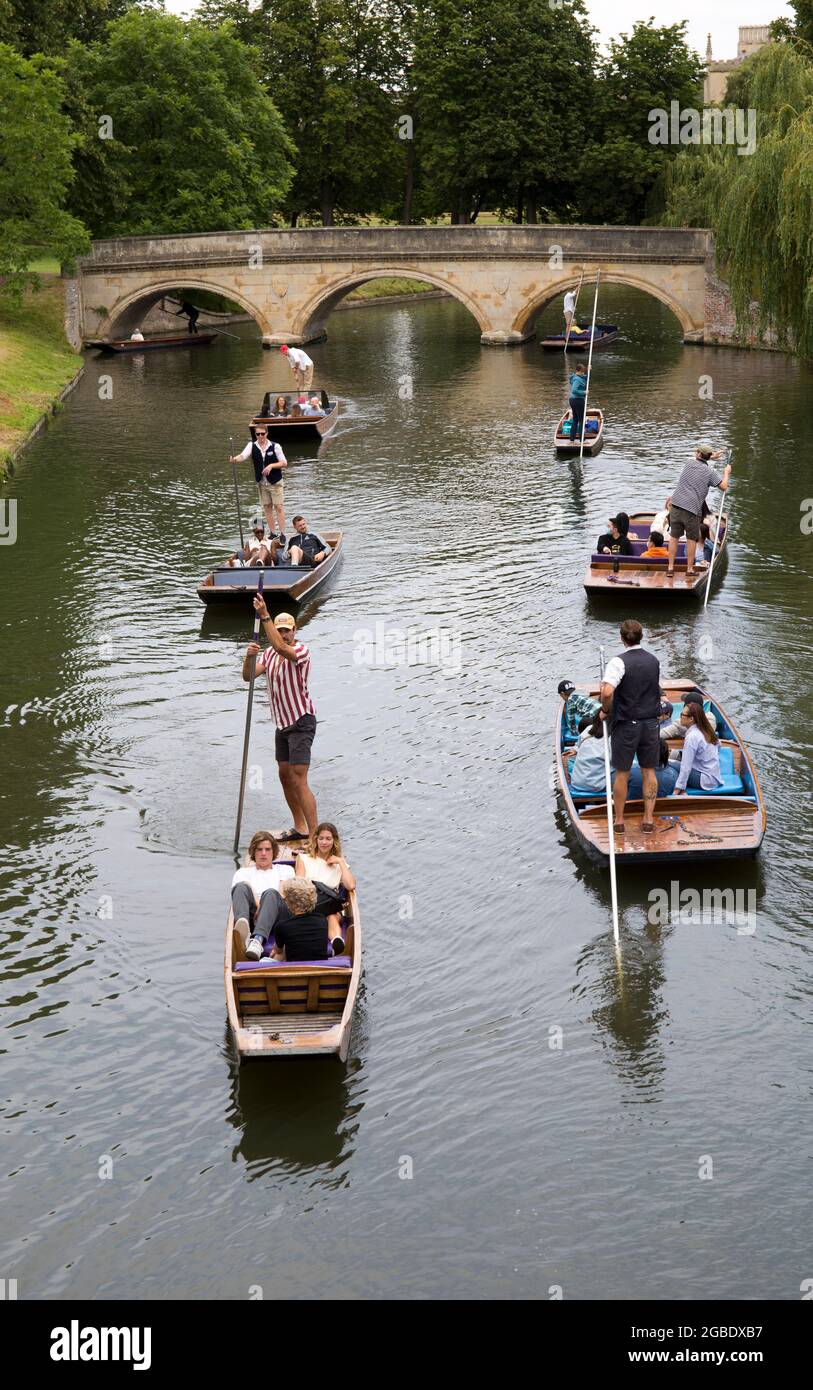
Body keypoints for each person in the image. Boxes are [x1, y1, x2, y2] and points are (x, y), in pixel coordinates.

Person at [243, 605, 318, 843]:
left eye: (287, 630)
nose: (285, 634)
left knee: (298, 777)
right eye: (280, 630)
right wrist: (249, 656)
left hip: (301, 721)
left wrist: (264, 615)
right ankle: (300, 827)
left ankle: (314, 836)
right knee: (284, 776)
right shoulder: (269, 654)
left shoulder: (301, 651)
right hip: (282, 724)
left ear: (295, 630)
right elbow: (248, 676)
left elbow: (280, 647)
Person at [600, 619, 661, 834]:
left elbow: (607, 692)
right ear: (641, 636)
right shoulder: (654, 661)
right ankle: (648, 819)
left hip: (627, 724)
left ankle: (618, 821)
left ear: (622, 638)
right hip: (651, 723)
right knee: (649, 771)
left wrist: (606, 710)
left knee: (622, 773)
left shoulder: (618, 662)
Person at [570, 714, 677, 796]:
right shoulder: (617, 738)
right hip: (596, 783)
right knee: (638, 774)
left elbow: (578, 745)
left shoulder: (589, 729)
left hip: (578, 780)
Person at [667, 440, 731, 579]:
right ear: (707, 456)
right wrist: (726, 472)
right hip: (692, 510)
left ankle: (670, 568)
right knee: (691, 539)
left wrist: (711, 456)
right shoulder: (710, 472)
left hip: (676, 505)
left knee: (674, 537)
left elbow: (700, 457)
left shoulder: (689, 463)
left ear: (698, 454)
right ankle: (689, 569)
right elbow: (724, 486)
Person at [232, 831, 296, 960]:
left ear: (274, 852)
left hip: (279, 916)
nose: (263, 853)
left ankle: (257, 941)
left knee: (271, 893)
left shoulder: (285, 870)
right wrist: (258, 905)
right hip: (253, 915)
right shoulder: (243, 872)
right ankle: (242, 934)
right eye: (259, 849)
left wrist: (262, 907)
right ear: (253, 852)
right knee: (240, 887)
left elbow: (282, 894)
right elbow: (241, 892)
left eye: (267, 849)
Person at [296, 822, 355, 953]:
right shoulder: (304, 858)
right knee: (327, 914)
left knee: (332, 916)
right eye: (321, 838)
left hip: (329, 906)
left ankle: (337, 941)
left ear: (334, 841)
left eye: (328, 839)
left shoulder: (339, 863)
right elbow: (299, 885)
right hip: (310, 903)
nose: (324, 842)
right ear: (316, 839)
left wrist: (340, 862)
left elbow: (350, 885)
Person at [230, 426, 288, 537]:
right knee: (267, 507)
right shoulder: (251, 445)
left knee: (279, 507)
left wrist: (271, 465)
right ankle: (273, 533)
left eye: (262, 433)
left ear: (267, 433)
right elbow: (243, 456)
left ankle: (283, 534)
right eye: (258, 434)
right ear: (255, 435)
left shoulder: (275, 446)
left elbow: (284, 463)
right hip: (262, 482)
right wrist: (235, 459)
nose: (260, 436)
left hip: (275, 482)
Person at [270, 879, 331, 962]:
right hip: (320, 968)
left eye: (285, 899)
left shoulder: (282, 926)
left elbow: (278, 951)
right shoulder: (323, 920)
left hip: (294, 970)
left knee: (277, 954)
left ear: (290, 902)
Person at [673, 702, 724, 794]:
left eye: (682, 715)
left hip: (703, 780)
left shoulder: (692, 736)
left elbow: (686, 766)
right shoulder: (706, 731)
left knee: (669, 764)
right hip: (714, 778)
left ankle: (681, 790)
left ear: (691, 719)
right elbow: (719, 745)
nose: (680, 716)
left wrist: (678, 788)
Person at [568, 362, 587, 443]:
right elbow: (574, 390)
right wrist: (584, 392)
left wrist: (589, 370)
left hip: (572, 400)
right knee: (581, 420)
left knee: (575, 419)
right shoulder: (577, 379)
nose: (583, 373)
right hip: (578, 401)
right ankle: (582, 440)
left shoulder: (575, 377)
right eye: (582, 372)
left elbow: (586, 378)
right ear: (578, 371)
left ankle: (572, 440)